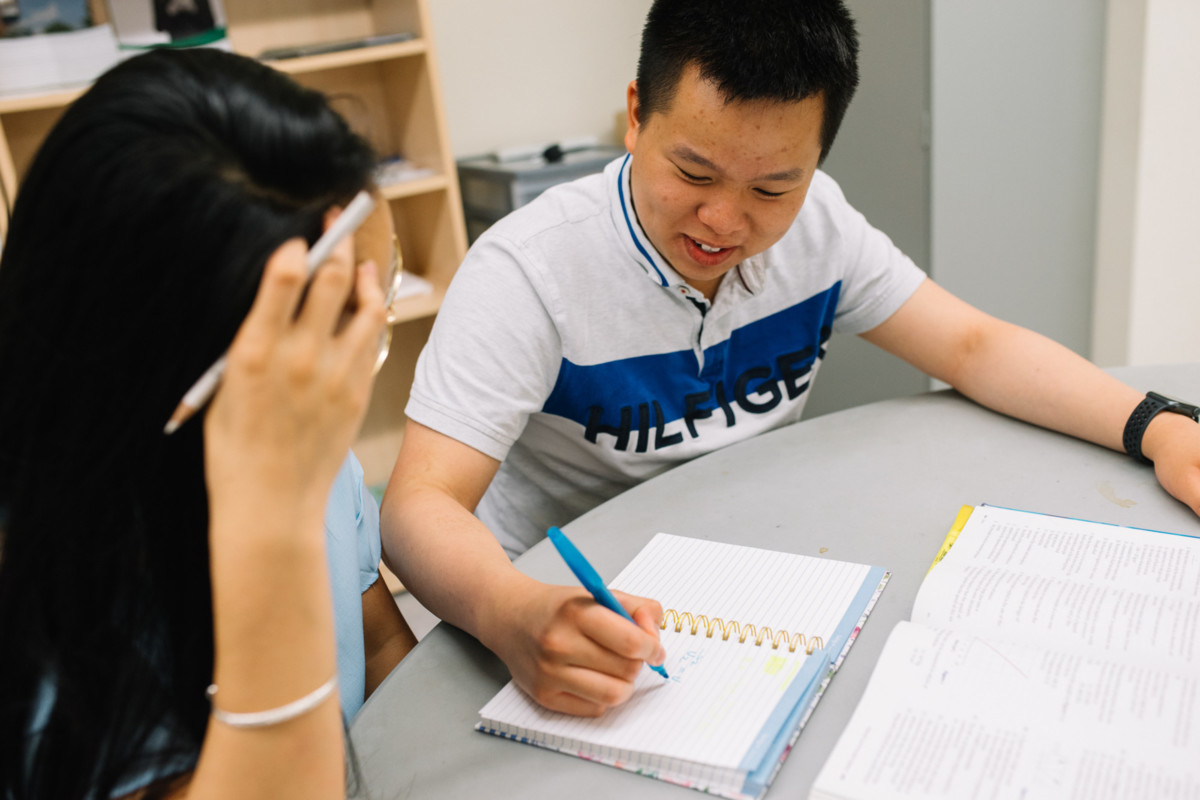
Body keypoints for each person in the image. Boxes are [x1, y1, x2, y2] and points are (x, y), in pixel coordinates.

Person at [381, 0, 1200, 719]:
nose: (724, 220)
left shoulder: (821, 230)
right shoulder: (530, 269)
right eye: (691, 171)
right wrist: (510, 608)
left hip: (750, 575)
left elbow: (973, 346)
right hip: (568, 598)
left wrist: (1157, 427)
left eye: (774, 187)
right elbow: (418, 504)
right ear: (635, 116)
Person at [0, 48, 416, 799]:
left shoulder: (317, 463)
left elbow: (382, 646)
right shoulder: (50, 608)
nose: (364, 349)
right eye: (342, 322)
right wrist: (274, 526)